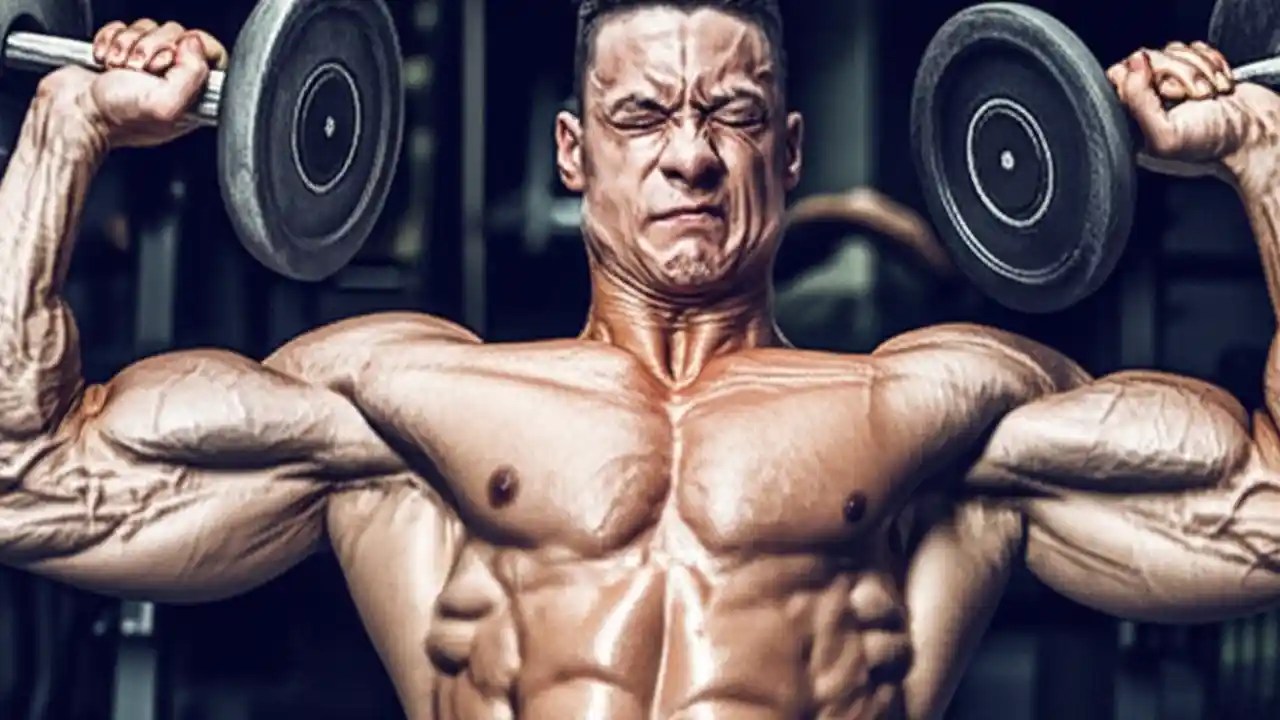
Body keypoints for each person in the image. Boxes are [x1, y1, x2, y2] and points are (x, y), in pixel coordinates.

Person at [3, 3, 1280, 718]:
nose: (687, 155)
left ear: (785, 152)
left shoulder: (932, 413)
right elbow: (26, 477)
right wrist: (69, 129)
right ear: (575, 154)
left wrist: (1255, 154)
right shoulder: (412, 409)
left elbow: (1265, 517)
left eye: (728, 115)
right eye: (639, 117)